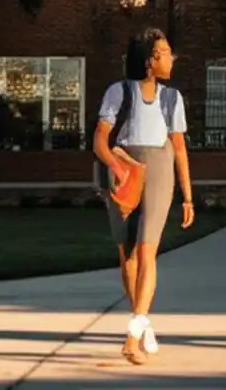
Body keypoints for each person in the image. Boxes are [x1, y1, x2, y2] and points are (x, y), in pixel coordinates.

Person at [92, 28, 193, 365]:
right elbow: (100, 142)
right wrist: (117, 169)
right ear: (150, 61)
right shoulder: (118, 93)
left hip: (159, 171)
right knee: (128, 256)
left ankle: (132, 336)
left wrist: (188, 197)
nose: (171, 58)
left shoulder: (172, 99)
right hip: (123, 172)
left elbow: (179, 149)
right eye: (165, 52)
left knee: (147, 251)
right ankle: (143, 316)